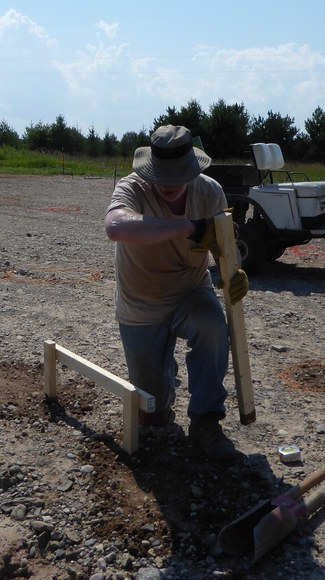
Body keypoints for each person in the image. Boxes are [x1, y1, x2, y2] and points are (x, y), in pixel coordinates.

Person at [104, 125, 248, 462]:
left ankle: (206, 421)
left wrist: (234, 271)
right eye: (160, 175)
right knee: (151, 413)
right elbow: (115, 227)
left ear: (193, 170)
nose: (167, 184)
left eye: (176, 175)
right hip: (141, 302)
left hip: (190, 292)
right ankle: (162, 385)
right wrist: (191, 227)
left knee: (213, 327)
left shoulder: (211, 194)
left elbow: (226, 246)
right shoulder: (132, 188)